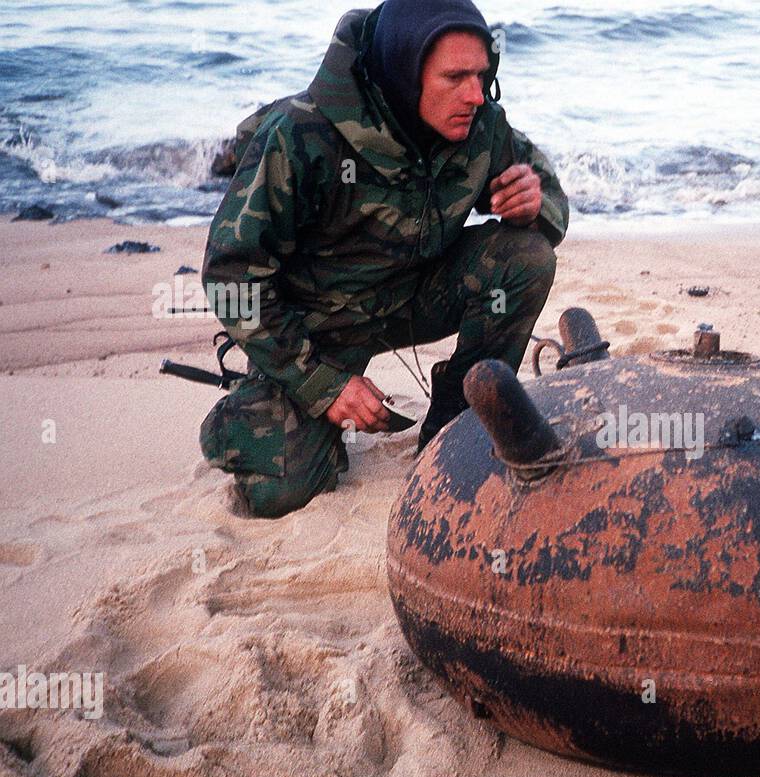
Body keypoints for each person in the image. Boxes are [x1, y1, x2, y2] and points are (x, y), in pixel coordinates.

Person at [199, 0, 567, 518]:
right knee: (277, 492)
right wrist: (322, 385)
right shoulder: (300, 133)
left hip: (411, 296)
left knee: (526, 256)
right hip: (317, 326)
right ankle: (249, 405)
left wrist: (534, 203)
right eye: (454, 77)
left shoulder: (481, 123)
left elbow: (543, 188)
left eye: (481, 74)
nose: (474, 94)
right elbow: (231, 275)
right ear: (404, 72)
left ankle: (457, 422)